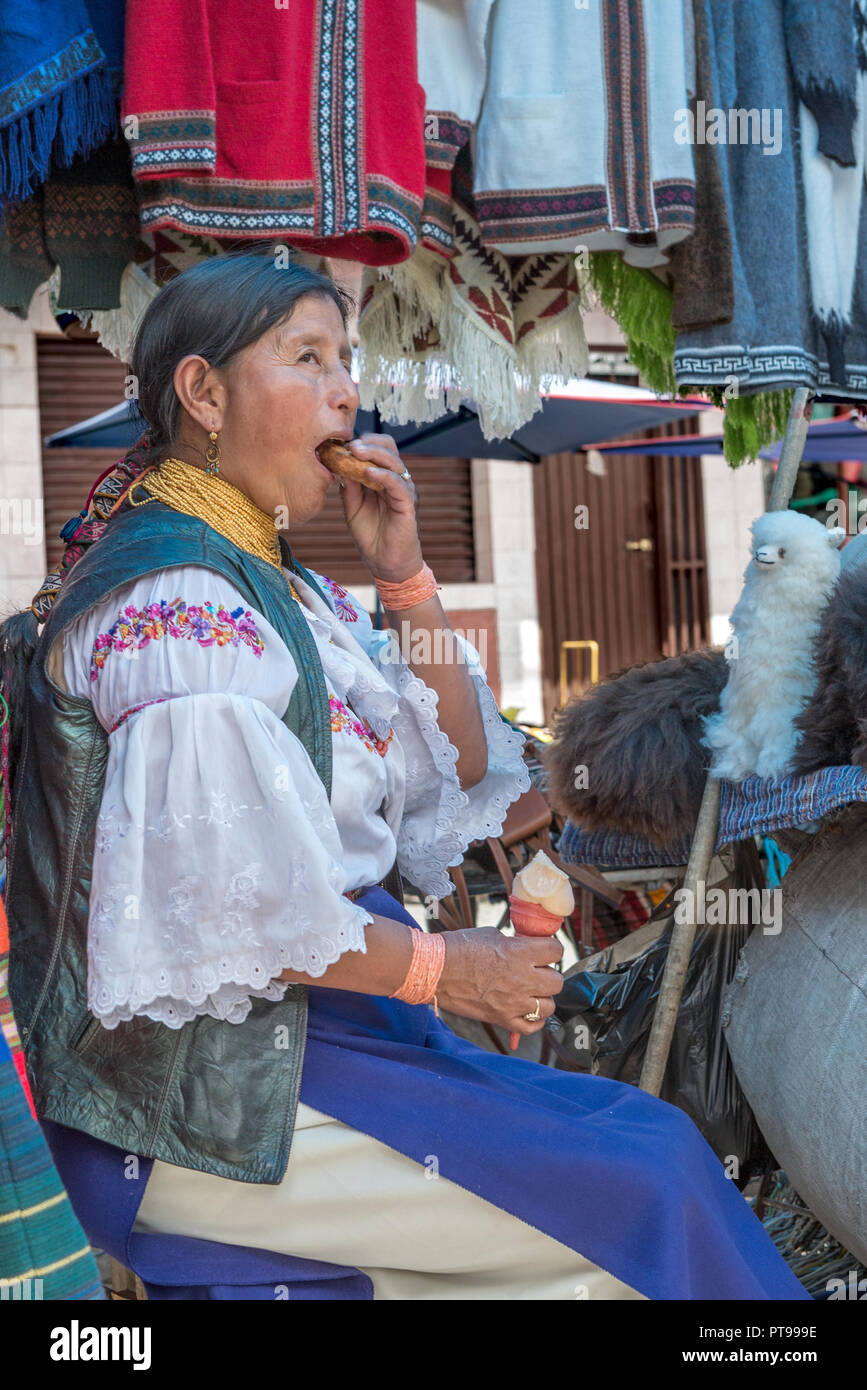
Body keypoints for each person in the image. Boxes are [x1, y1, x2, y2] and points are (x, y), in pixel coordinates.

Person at [4, 251, 808, 1301]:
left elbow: (463, 771)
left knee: (635, 1134)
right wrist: (444, 969)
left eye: (346, 360)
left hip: (326, 1026)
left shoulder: (283, 588)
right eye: (307, 358)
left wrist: (406, 576)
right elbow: (236, 908)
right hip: (197, 1094)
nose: (347, 388)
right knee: (645, 1185)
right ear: (204, 392)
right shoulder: (177, 604)